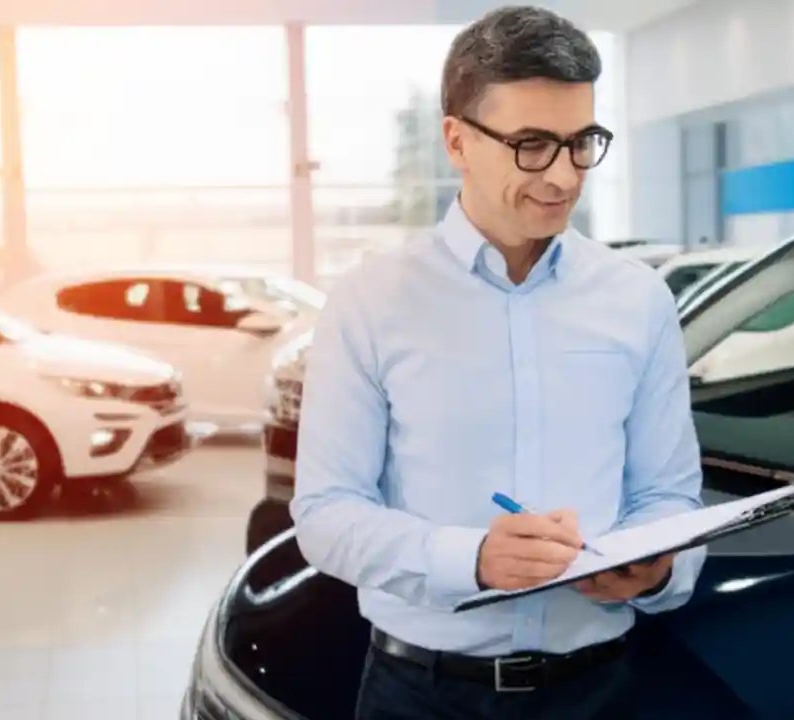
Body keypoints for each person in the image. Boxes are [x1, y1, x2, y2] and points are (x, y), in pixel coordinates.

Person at [290, 6, 705, 719]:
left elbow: (669, 496)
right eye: (533, 145)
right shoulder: (372, 301)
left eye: (583, 143)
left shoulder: (637, 299)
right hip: (421, 696)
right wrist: (471, 560)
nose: (565, 176)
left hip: (603, 689)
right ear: (457, 140)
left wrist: (659, 565)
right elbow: (326, 515)